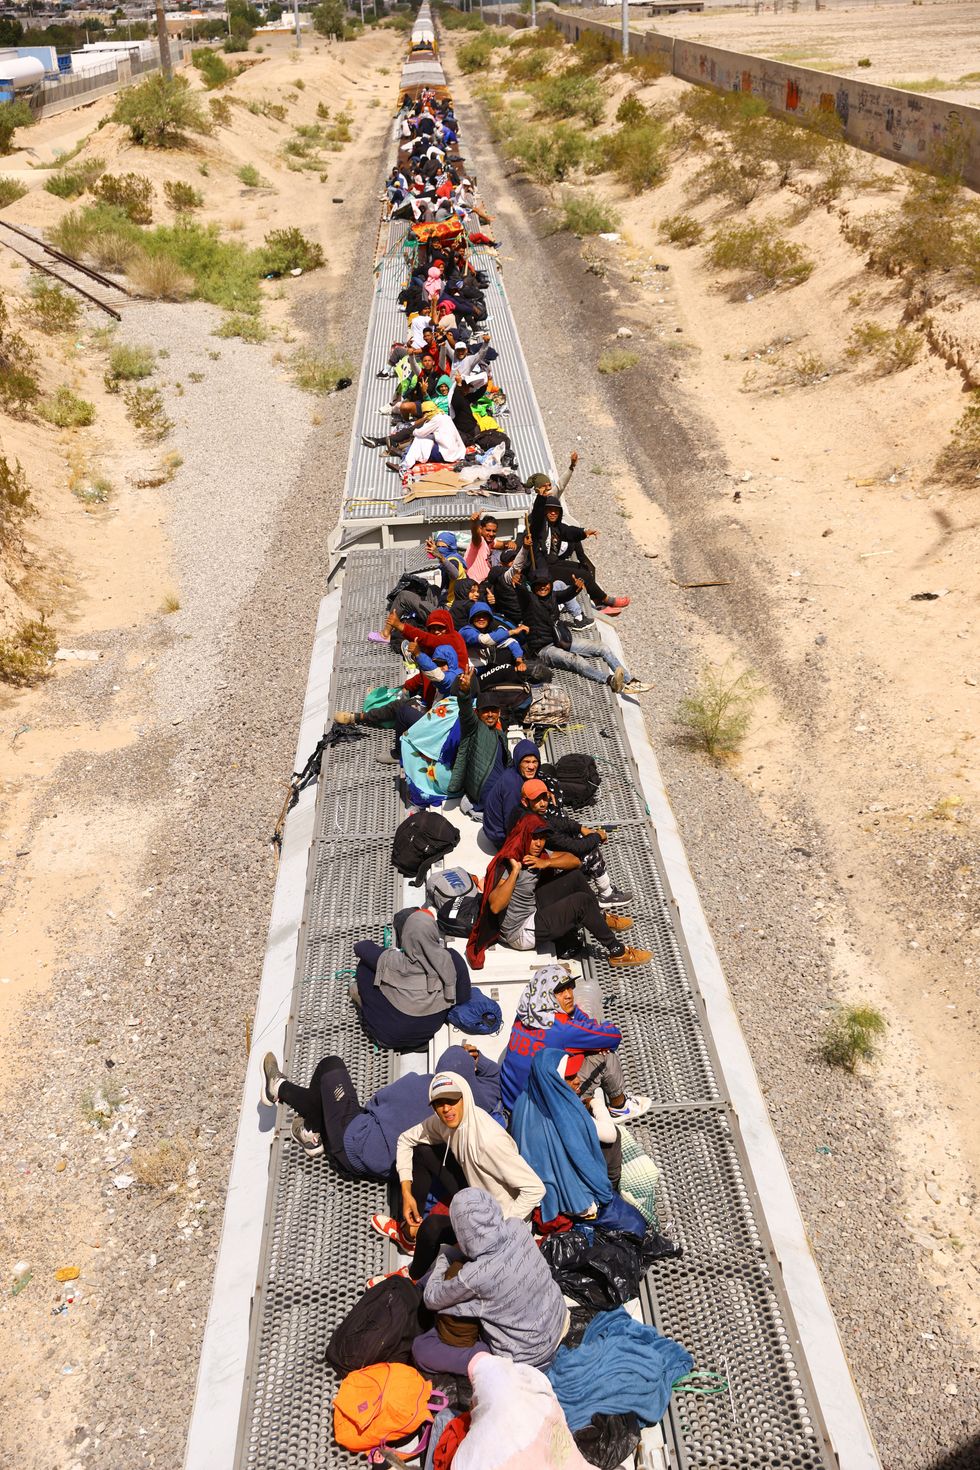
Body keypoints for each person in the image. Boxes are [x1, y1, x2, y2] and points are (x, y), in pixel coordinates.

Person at [377, 1071, 545, 1287]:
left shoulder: (489, 1142)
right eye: (439, 1103)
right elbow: (405, 1140)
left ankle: (411, 1279)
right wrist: (406, 1192)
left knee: (433, 1227)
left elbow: (535, 1189)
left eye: (452, 1100)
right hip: (475, 1191)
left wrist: (500, 1228)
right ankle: (410, 1229)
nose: (446, 1109)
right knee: (422, 1150)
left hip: (497, 1220)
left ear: (465, 1097)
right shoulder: (445, 1122)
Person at [260, 1043, 501, 1170]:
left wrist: (474, 1056)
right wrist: (481, 1063)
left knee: (330, 1066)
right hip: (380, 1162)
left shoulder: (419, 1085)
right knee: (334, 1100)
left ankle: (285, 1096)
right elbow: (495, 1080)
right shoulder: (473, 1107)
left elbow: (378, 1100)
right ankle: (313, 1127)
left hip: (353, 1140)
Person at [413, 1188, 569, 1375]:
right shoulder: (517, 1227)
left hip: (527, 1358)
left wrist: (444, 1258)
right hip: (558, 1320)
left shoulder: (474, 1276)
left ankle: (486, 1363)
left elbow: (432, 1298)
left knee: (421, 1349)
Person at [466, 812, 652, 969]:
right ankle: (617, 952)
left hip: (532, 907)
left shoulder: (535, 854)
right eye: (535, 837)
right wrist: (515, 872)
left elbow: (575, 861)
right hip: (519, 931)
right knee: (581, 902)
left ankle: (600, 918)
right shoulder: (510, 862)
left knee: (575, 878)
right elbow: (496, 906)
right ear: (524, 836)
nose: (539, 843)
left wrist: (546, 862)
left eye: (542, 837)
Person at [499, 965, 651, 1120]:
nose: (569, 995)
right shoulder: (562, 1028)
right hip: (542, 1112)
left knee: (583, 1047)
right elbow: (613, 1036)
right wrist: (594, 1034)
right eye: (560, 991)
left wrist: (572, 1014)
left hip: (512, 1102)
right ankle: (620, 1107)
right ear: (546, 995)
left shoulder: (524, 1015)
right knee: (606, 1056)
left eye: (569, 987)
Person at [510, 1050, 616, 1222]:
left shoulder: (523, 1101)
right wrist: (596, 1102)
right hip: (577, 1202)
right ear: (553, 1080)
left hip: (541, 1193)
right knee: (616, 1141)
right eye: (569, 1076)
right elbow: (610, 1135)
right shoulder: (566, 1113)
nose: (578, 1080)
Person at [350, 908, 472, 1051]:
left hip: (386, 1037)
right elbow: (463, 997)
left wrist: (386, 952)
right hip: (428, 1033)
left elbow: (360, 947)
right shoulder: (452, 959)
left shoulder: (393, 960)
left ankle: (364, 1001)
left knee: (365, 966)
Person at [512, 568, 649, 694]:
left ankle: (628, 681)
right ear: (533, 586)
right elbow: (521, 592)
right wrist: (517, 583)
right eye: (538, 584)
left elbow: (566, 594)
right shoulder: (529, 600)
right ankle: (610, 680)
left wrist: (576, 587)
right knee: (576, 661)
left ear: (550, 584)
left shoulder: (552, 596)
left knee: (602, 648)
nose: (543, 587)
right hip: (544, 649)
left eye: (545, 583)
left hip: (560, 640)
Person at [514, 779, 632, 909]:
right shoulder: (537, 824)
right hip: (539, 872)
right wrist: (597, 836)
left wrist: (580, 828)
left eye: (544, 798)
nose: (543, 804)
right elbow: (576, 847)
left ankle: (596, 882)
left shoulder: (526, 811)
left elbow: (556, 822)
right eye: (537, 800)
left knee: (581, 836)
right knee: (590, 852)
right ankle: (606, 894)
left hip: (543, 856)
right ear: (525, 801)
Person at [447, 665, 508, 810]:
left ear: (499, 712)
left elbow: (508, 762)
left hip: (503, 785)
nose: (490, 714)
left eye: (494, 710)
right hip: (484, 789)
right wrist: (465, 692)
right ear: (477, 712)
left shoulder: (501, 735)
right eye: (486, 711)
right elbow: (465, 710)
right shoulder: (473, 727)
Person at [481, 738, 541, 849]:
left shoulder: (518, 774)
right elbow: (511, 824)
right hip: (500, 835)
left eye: (535, 762)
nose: (531, 767)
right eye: (526, 762)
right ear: (518, 763)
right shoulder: (513, 786)